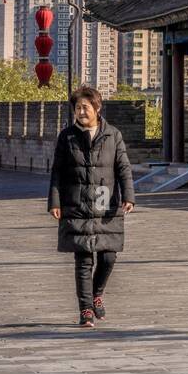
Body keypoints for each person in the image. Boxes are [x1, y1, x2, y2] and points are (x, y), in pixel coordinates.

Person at [48, 85, 135, 328]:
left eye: (85, 107)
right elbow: (57, 171)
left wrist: (128, 195)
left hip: (105, 200)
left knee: (108, 256)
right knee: (83, 259)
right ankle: (85, 309)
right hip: (76, 203)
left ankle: (97, 293)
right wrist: (55, 201)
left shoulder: (113, 135)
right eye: (77, 108)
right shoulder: (67, 137)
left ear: (97, 108)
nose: (81, 112)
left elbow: (123, 168)